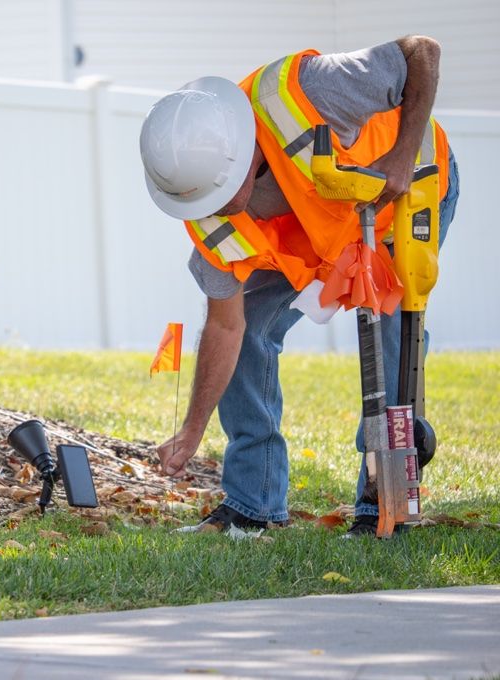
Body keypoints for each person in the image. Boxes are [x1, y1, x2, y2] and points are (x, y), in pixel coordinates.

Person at [138, 36, 460, 536]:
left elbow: (423, 52)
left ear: (241, 152)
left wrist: (399, 155)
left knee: (391, 337)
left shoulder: (310, 91)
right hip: (321, 235)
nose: (217, 209)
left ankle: (385, 506)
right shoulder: (204, 212)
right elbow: (225, 329)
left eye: (223, 194)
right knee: (246, 334)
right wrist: (191, 430)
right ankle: (253, 505)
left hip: (409, 188)